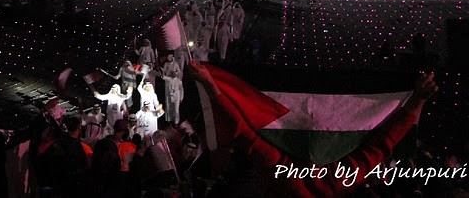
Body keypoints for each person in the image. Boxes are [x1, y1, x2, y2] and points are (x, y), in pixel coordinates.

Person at [187, 61, 439, 197]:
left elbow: (241, 129)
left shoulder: (282, 167)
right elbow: (386, 140)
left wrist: (211, 85)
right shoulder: (342, 176)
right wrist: (418, 99)